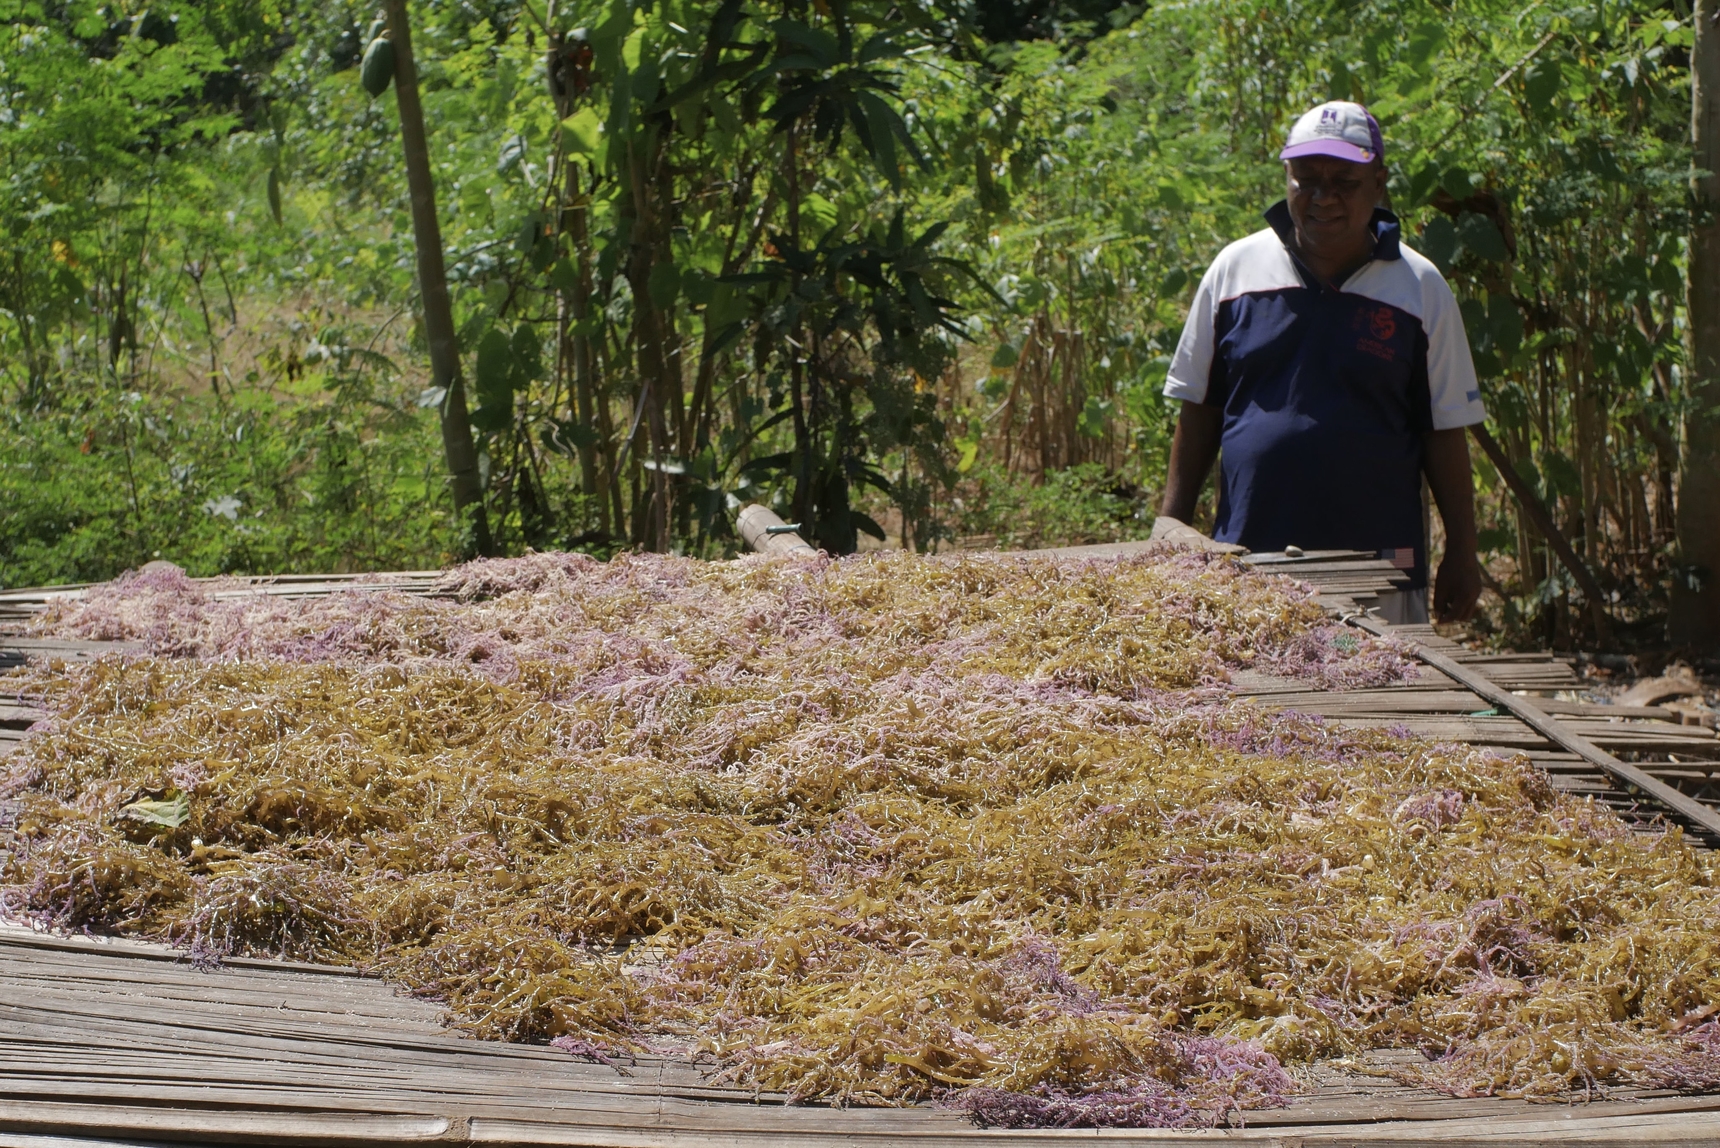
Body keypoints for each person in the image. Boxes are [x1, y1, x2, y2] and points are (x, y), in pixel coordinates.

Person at [1155, 101, 1483, 625]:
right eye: (1305, 179)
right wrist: (1169, 527)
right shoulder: (1234, 272)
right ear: (1286, 177)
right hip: (1248, 562)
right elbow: (1200, 409)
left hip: (1381, 566)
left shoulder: (1420, 288)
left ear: (1378, 183)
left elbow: (1443, 431)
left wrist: (1463, 553)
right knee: (1262, 700)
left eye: (1344, 182)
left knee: (1377, 695)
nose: (1322, 197)